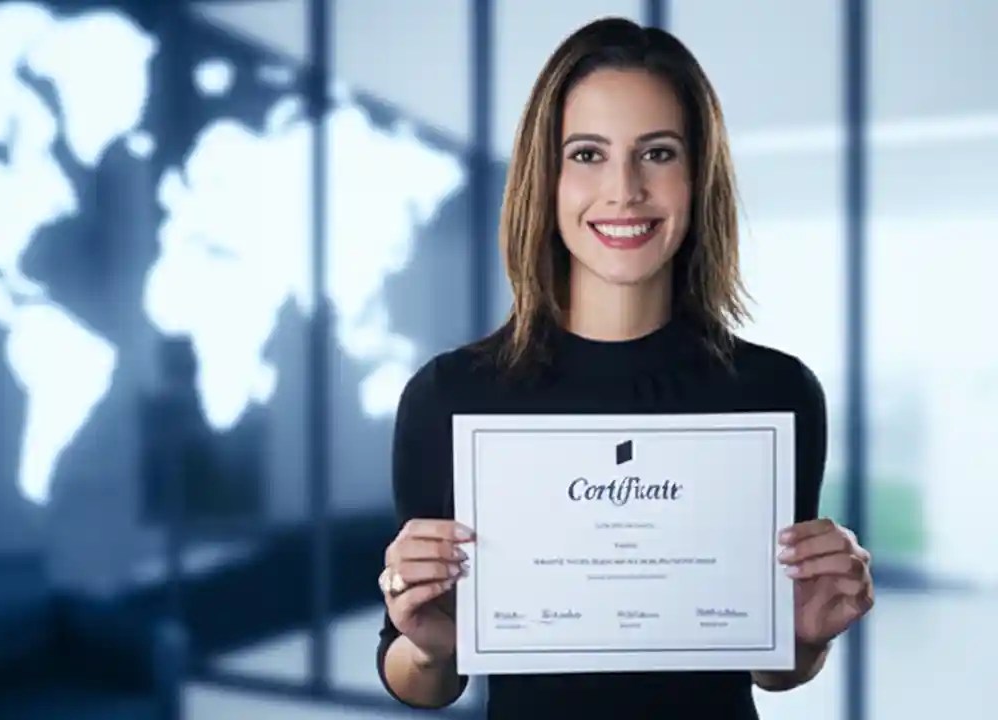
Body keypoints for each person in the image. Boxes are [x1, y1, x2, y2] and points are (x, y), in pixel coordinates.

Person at [374, 16, 874, 719]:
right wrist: (429, 646)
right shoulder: (451, 397)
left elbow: (773, 668)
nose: (624, 190)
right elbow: (419, 678)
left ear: (698, 176)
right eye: (586, 154)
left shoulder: (774, 394)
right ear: (544, 179)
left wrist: (806, 639)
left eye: (658, 153)